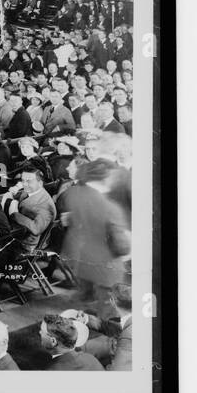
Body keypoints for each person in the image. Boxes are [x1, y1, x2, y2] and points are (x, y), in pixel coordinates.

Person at [60, 158, 130, 321]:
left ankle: (80, 318)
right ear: (105, 178)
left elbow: (73, 218)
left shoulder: (73, 193)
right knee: (109, 308)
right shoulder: (110, 208)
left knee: (85, 293)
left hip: (79, 255)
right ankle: (109, 329)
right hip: (104, 264)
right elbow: (122, 247)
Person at [40, 313, 104, 371]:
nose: (40, 333)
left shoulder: (51, 370)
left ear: (53, 341)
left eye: (42, 332)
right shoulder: (91, 359)